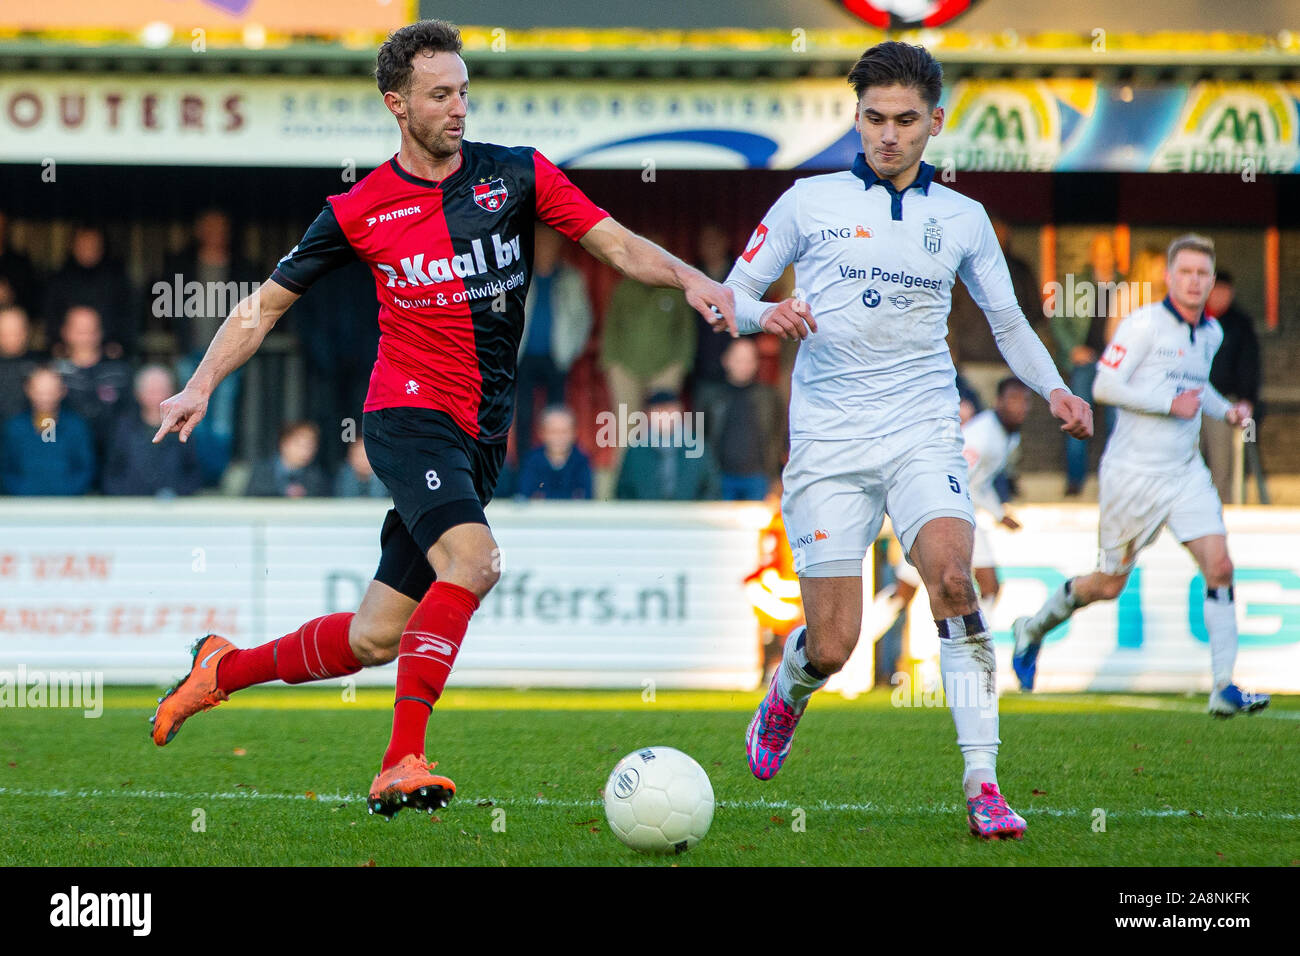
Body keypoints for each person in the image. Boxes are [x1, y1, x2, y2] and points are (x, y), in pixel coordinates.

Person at [148, 19, 735, 819]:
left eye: (463, 90)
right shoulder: (359, 209)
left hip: (482, 434)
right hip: (406, 415)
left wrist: (695, 281)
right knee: (476, 561)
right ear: (397, 104)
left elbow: (619, 245)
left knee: (372, 638)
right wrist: (200, 384)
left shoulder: (516, 175)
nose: (459, 107)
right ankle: (401, 759)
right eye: (440, 94)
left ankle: (219, 670)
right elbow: (263, 309)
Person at [725, 41, 1091, 840]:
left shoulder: (960, 218)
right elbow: (731, 294)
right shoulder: (806, 202)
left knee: (954, 581)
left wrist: (1055, 387)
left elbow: (1007, 322)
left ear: (935, 123)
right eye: (872, 119)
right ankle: (790, 688)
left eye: (904, 121)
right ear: (856, 118)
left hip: (923, 428)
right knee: (836, 642)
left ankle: (983, 783)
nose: (887, 135)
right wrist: (766, 315)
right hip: (827, 443)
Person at [1012, 235, 1268, 718]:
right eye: (1185, 272)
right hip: (1132, 476)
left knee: (1220, 567)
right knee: (1108, 585)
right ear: (1169, 278)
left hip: (1185, 473)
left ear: (1211, 282)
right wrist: (1168, 404)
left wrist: (1226, 410)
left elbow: (1197, 388)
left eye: (1202, 274)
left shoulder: (1211, 333)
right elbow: (1105, 386)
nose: (1194, 281)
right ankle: (1033, 627)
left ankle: (1222, 685)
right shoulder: (1143, 324)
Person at [163, 208, 263, 485]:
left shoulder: (241, 266)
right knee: (193, 419)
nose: (214, 234)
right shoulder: (181, 263)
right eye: (209, 228)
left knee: (222, 421)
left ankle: (216, 477)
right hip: (189, 353)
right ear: (198, 231)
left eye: (220, 228)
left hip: (226, 357)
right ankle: (194, 477)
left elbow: (257, 307)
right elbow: (160, 300)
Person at [599, 239, 699, 477]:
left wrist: (679, 366)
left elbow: (686, 331)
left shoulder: (675, 289)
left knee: (664, 429)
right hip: (626, 366)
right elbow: (611, 327)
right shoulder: (624, 287)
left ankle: (662, 484)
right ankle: (624, 486)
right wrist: (611, 363)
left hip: (664, 367)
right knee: (625, 429)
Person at [1052, 231, 1124, 496]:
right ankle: (1074, 483)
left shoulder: (1125, 285)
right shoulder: (1075, 284)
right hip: (1086, 362)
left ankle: (1115, 483)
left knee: (1118, 424)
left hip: (1116, 366)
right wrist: (1073, 349)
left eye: (1108, 253)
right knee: (1077, 418)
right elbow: (1057, 321)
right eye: (1099, 253)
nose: (1104, 259)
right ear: (1092, 256)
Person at [514, 225, 593, 456]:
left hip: (557, 356)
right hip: (523, 355)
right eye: (540, 243)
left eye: (550, 244)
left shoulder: (571, 277)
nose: (545, 249)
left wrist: (571, 350)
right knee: (524, 416)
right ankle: (525, 473)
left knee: (556, 417)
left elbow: (583, 319)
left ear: (558, 247)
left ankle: (553, 467)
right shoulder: (520, 275)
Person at [1201, 270, 1261, 502]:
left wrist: (1247, 399)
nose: (1219, 296)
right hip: (1190, 402)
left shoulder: (1240, 323)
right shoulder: (1193, 319)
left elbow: (1250, 365)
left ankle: (1220, 516)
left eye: (1224, 291)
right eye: (1216, 290)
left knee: (1221, 465)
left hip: (1224, 402)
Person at [101, 366, 203, 497]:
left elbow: (194, 472)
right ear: (138, 393)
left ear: (172, 392)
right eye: (151, 391)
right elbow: (112, 472)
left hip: (173, 508)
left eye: (161, 390)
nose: (156, 397)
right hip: (131, 506)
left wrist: (176, 494)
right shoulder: (123, 428)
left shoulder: (184, 426)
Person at [704, 337, 786, 501]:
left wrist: (776, 476)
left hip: (759, 477)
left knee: (758, 526)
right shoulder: (711, 398)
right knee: (720, 525)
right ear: (726, 360)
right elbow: (703, 438)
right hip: (721, 477)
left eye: (749, 360)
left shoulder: (769, 397)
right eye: (739, 359)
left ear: (757, 363)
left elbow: (779, 436)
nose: (744, 365)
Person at [42, 224, 136, 360]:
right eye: (83, 244)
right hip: (66, 354)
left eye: (93, 244)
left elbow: (128, 315)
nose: (88, 249)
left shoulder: (116, 279)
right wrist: (56, 343)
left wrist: (119, 343)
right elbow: (51, 315)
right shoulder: (59, 280)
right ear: (73, 246)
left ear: (102, 247)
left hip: (108, 354)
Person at [1, 364, 95, 495]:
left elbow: (85, 468)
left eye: (50, 392)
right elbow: (6, 469)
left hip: (67, 507)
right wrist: (23, 493)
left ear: (62, 391)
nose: (45, 398)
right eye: (40, 392)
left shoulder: (76, 426)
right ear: (28, 390)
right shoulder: (14, 427)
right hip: (23, 506)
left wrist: (66, 494)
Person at [53, 304, 134, 457]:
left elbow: (131, 418)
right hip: (66, 457)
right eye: (79, 330)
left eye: (91, 329)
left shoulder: (119, 372)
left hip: (114, 455)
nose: (86, 335)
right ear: (65, 332)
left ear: (100, 332)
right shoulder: (53, 373)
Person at [615, 391, 719, 501]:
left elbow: (711, 487)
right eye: (659, 411)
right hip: (646, 515)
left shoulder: (698, 447)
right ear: (649, 415)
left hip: (688, 515)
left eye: (670, 411)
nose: (665, 416)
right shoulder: (636, 450)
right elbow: (623, 490)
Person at [514, 404, 592, 500]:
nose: (559, 437)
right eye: (553, 432)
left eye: (564, 432)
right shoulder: (532, 460)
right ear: (542, 433)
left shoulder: (581, 460)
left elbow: (586, 497)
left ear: (574, 433)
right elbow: (524, 495)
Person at [0, 304, 40, 424]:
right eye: (5, 332)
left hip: (32, 436)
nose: (12, 337)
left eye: (17, 330)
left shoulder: (42, 365)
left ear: (27, 330)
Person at [0, 209, 41, 320]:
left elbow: (32, 301)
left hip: (14, 326)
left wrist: (10, 296)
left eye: (2, 225)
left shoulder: (19, 263)